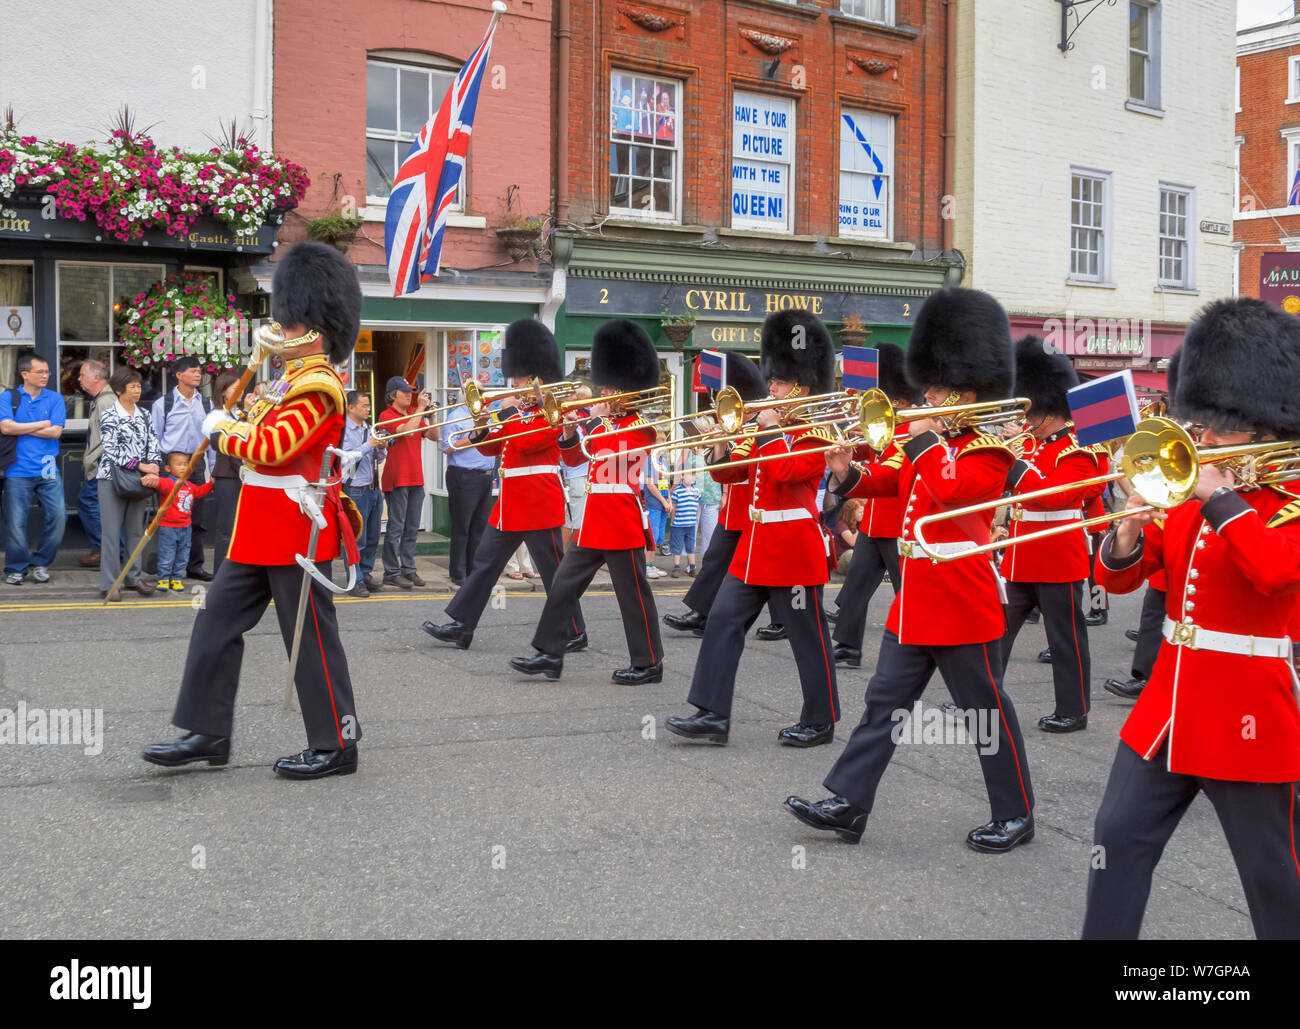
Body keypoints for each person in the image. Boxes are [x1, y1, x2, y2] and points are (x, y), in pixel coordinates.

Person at [785, 287, 1035, 851]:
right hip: (917, 598)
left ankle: (1017, 812)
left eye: (939, 388)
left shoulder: (986, 449)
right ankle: (849, 803)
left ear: (966, 392)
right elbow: (889, 482)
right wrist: (846, 470)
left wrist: (922, 439)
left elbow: (950, 492)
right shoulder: (926, 442)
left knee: (984, 713)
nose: (927, 395)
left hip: (961, 597)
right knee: (883, 706)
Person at [1083, 297, 1300, 939]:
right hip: (1168, 708)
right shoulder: (1187, 495)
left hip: (1249, 715)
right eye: (1198, 421)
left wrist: (1221, 497)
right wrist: (1125, 531)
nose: (1200, 437)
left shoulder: (1286, 502)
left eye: (1217, 425)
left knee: (1274, 878)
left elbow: (1275, 571)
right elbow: (1121, 575)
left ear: (1261, 427)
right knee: (1115, 839)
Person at [142, 241, 364, 780]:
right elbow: (264, 428)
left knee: (308, 636)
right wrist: (241, 412)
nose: (284, 330)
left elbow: (274, 448)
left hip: (296, 523)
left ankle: (338, 743)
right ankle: (208, 733)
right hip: (256, 525)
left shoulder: (319, 384)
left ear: (317, 324)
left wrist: (225, 431)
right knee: (215, 622)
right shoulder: (287, 378)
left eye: (293, 323)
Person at [666, 310, 840, 748]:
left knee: (809, 637)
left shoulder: (817, 432)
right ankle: (711, 714)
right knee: (722, 621)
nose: (770, 390)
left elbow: (784, 472)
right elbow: (730, 477)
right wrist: (721, 446)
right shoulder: (766, 427)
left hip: (794, 548)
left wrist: (768, 432)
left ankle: (820, 720)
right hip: (756, 545)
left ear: (800, 386)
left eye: (778, 384)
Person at [510, 319, 663, 684]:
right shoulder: (603, 424)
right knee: (563, 584)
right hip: (595, 520)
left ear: (626, 390)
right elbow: (576, 460)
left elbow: (613, 459)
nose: (604, 392)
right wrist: (567, 432)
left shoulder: (640, 425)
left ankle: (649, 663)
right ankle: (549, 654)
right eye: (605, 386)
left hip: (622, 519)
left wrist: (591, 423)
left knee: (633, 595)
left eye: (610, 387)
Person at [423, 320, 586, 652]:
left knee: (554, 572)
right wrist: (482, 425)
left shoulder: (550, 412)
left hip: (539, 502)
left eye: (518, 379)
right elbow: (491, 447)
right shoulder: (518, 412)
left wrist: (508, 412)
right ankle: (462, 625)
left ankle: (574, 630)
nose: (511, 384)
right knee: (484, 564)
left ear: (534, 380)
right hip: (510, 504)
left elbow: (526, 443)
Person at [997, 336, 1109, 733]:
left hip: (1057, 556)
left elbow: (1052, 496)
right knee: (997, 630)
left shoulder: (1077, 451)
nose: (1028, 421)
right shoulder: (1029, 443)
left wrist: (1014, 467)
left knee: (1065, 639)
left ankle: (1073, 709)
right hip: (1020, 553)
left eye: (1035, 412)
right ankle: (982, 698)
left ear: (1052, 409)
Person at [662, 352, 780, 638]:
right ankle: (702, 614)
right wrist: (716, 445)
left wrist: (722, 443)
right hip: (735, 510)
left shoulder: (763, 424)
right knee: (717, 559)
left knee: (768, 567)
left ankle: (784, 619)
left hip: (755, 508)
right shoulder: (740, 424)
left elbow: (745, 466)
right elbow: (726, 471)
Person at [828, 343, 917, 667]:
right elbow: (869, 450)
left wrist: (855, 463)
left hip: (898, 527)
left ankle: (919, 644)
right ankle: (848, 647)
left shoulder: (910, 433)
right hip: (874, 524)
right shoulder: (886, 428)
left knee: (907, 590)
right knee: (856, 585)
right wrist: (846, 445)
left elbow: (885, 468)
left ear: (902, 401)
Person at [2, 350, 66, 586]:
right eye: (40, 372)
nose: (46, 375)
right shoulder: (9, 398)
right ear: (25, 374)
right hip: (17, 470)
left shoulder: (55, 398)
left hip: (48, 469)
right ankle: (16, 568)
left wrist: (22, 427)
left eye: (47, 371)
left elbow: (56, 432)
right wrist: (41, 424)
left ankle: (40, 563)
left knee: (58, 517)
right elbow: (6, 428)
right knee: (16, 522)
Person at [97, 366, 161, 600]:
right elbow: (111, 449)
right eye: (132, 387)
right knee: (112, 533)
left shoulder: (144, 414)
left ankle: (134, 577)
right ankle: (110, 583)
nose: (137, 390)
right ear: (118, 390)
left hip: (140, 479)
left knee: (135, 531)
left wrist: (153, 464)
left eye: (138, 386)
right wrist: (141, 465)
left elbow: (153, 441)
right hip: (111, 478)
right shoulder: (109, 415)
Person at [150, 355, 214, 581]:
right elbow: (155, 438)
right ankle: (168, 568)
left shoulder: (206, 404)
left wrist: (212, 471)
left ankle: (194, 566)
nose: (198, 374)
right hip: (170, 465)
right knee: (170, 516)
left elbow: (211, 440)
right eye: (193, 371)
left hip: (196, 465)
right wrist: (158, 468)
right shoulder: (163, 404)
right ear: (179, 375)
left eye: (199, 371)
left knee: (196, 517)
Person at [380, 376, 437, 588]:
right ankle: (391, 571)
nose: (410, 395)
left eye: (410, 391)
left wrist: (430, 416)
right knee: (396, 528)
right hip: (397, 479)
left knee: (412, 528)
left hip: (416, 478)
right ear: (393, 395)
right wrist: (421, 408)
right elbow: (408, 430)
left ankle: (408, 568)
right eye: (405, 391)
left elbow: (434, 436)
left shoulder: (415, 413)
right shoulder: (387, 415)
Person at [439, 387, 495, 586]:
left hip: (485, 475)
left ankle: (473, 571)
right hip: (464, 475)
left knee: (479, 527)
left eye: (483, 390)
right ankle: (458, 572)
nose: (483, 394)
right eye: (478, 391)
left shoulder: (489, 415)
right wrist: (475, 434)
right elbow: (447, 447)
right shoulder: (456, 416)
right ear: (468, 394)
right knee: (462, 527)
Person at [340, 388, 386, 598]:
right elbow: (345, 459)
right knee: (356, 537)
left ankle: (366, 573)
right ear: (350, 407)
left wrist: (381, 448)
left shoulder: (369, 428)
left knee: (372, 536)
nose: (368, 409)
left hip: (373, 488)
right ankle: (355, 579)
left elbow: (378, 458)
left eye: (369, 405)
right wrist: (369, 446)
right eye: (364, 406)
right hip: (354, 488)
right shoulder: (343, 430)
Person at [148, 451, 214, 593]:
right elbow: (157, 483)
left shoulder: (189, 485)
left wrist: (211, 483)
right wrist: (150, 478)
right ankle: (164, 578)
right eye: (178, 465)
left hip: (185, 527)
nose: (183, 467)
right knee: (167, 553)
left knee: (183, 554)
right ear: (168, 468)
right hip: (168, 527)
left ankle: (177, 578)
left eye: (185, 464)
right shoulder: (167, 483)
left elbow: (200, 491)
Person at [208, 370, 252, 576]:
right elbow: (228, 447)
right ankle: (221, 573)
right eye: (235, 388)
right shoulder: (219, 415)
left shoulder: (240, 413)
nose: (240, 391)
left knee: (241, 527)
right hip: (228, 475)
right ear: (224, 392)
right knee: (226, 527)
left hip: (242, 474)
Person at [76, 359, 115, 568]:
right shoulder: (100, 399)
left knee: (88, 502)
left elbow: (111, 438)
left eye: (83, 375)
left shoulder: (105, 401)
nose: (79, 379)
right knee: (99, 506)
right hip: (101, 463)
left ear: (96, 377)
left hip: (103, 464)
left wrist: (99, 461)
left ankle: (103, 549)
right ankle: (108, 549)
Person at [561, 382, 592, 550]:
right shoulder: (571, 421)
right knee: (571, 521)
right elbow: (561, 452)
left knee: (578, 521)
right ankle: (562, 556)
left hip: (582, 474)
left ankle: (567, 556)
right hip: (575, 475)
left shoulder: (582, 420)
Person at [669, 472, 700, 577]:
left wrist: (695, 519)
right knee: (677, 546)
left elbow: (697, 506)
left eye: (694, 475)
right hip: (678, 524)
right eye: (689, 475)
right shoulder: (677, 491)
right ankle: (676, 567)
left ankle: (692, 567)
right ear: (682, 476)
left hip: (691, 525)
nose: (692, 477)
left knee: (691, 547)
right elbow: (674, 507)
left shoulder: (697, 490)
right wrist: (672, 521)